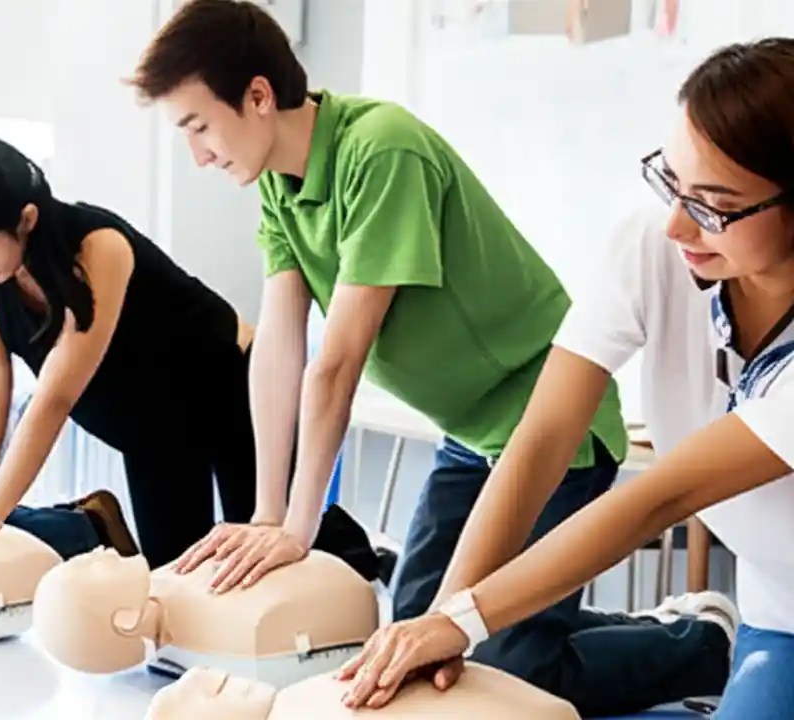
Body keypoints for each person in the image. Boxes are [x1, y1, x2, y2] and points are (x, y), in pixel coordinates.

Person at [128, 0, 724, 712]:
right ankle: (587, 626)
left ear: (257, 96)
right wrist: (262, 510)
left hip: (551, 428)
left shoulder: (382, 148)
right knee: (410, 648)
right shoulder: (278, 189)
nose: (197, 155)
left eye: (198, 126)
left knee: (505, 672)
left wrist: (298, 527)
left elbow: (338, 361)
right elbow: (279, 348)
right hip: (469, 437)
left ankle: (702, 644)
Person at [335, 39, 794, 720]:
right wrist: (442, 622)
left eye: (711, 205)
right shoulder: (653, 248)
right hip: (777, 604)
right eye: (671, 181)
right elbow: (543, 436)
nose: (675, 224)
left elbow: (657, 499)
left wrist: (463, 621)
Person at [0, 134, 379, 573]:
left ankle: (367, 565)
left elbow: (55, 397)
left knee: (270, 550)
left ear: (26, 220)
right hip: (152, 430)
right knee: (174, 574)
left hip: (228, 393)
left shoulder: (99, 247)